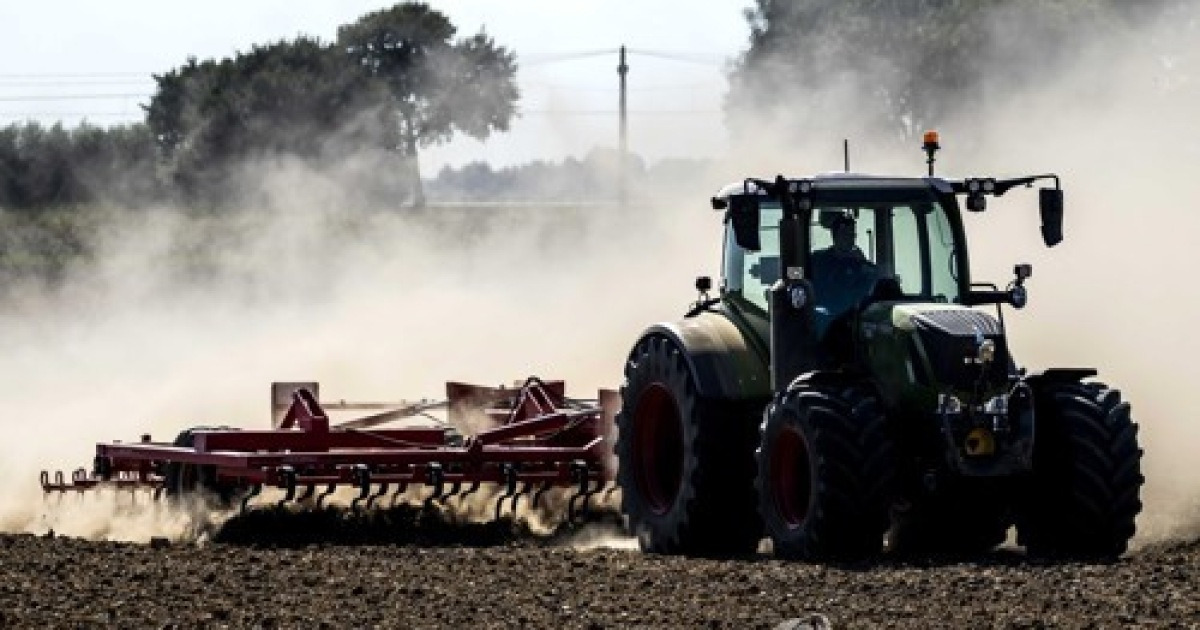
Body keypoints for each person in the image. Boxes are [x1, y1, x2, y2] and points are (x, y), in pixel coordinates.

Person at [809, 213, 877, 332]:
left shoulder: (862, 264)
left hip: (857, 320)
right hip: (825, 320)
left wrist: (863, 264)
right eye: (845, 234)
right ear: (834, 236)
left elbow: (874, 286)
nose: (849, 239)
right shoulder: (818, 260)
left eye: (852, 235)